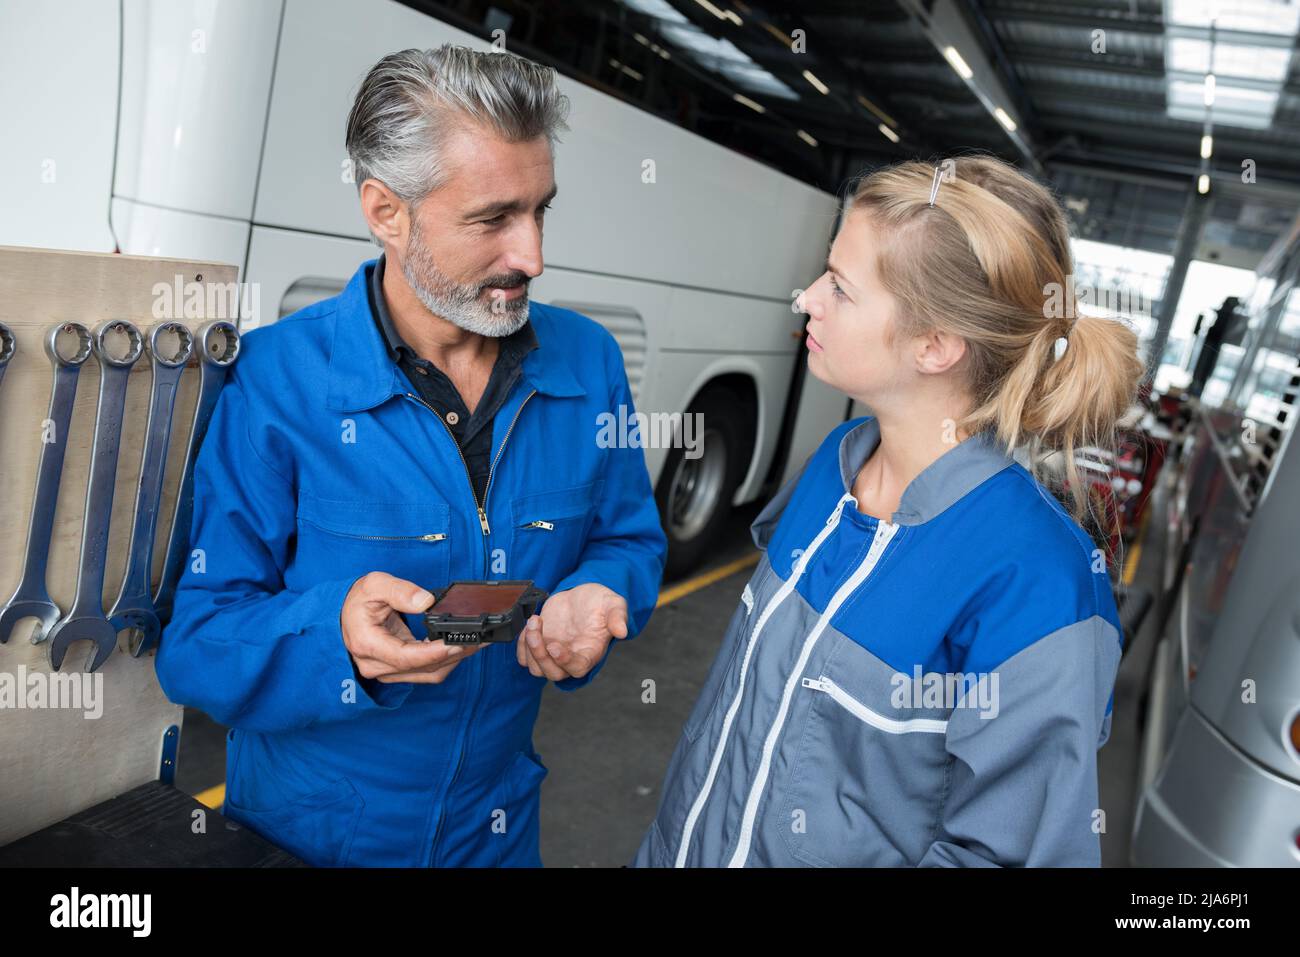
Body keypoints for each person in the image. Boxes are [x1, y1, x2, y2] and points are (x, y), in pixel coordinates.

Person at [155, 45, 667, 867]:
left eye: (542, 210)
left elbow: (629, 540)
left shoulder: (590, 362)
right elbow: (197, 643)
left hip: (496, 833)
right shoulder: (278, 382)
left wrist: (601, 591)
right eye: (493, 217)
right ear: (386, 211)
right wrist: (335, 639)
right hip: (310, 838)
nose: (532, 255)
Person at [632, 155, 1143, 868]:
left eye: (839, 287)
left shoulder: (1040, 587)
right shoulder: (835, 464)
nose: (805, 297)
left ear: (934, 345)